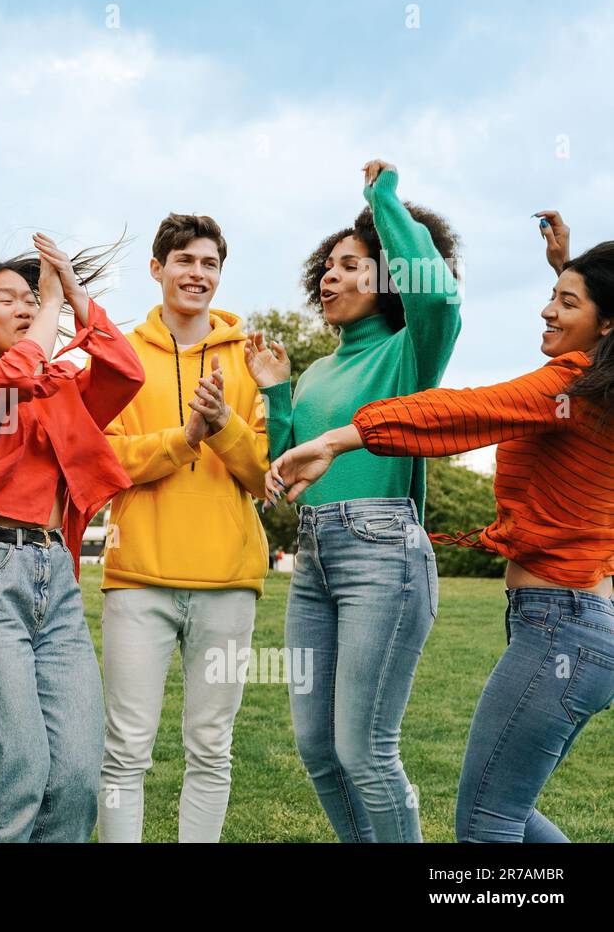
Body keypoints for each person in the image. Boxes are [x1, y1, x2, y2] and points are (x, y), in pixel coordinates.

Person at [270, 229, 614, 843]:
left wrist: (339, 438)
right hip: (565, 620)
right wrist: (572, 271)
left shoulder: (568, 387)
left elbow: (464, 411)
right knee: (508, 813)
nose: (545, 309)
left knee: (490, 823)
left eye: (566, 302)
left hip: (564, 623)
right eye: (551, 295)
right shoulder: (591, 386)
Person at [257, 159, 461, 842]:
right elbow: (285, 469)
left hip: (382, 552)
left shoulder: (410, 349)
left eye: (351, 264)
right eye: (328, 267)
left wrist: (382, 204)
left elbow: (438, 296)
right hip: (314, 554)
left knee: (366, 752)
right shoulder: (319, 369)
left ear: (390, 277)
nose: (330, 277)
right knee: (319, 751)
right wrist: (277, 390)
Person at [0, 233, 145, 842]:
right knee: (19, 774)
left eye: (33, 297)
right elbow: (13, 376)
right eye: (11, 299)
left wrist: (74, 295)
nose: (28, 307)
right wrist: (50, 307)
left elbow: (123, 371)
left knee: (78, 778)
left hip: (58, 579)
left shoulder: (59, 389)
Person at [97, 214, 273, 843]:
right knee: (125, 749)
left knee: (210, 747)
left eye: (209, 264)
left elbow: (265, 476)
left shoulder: (252, 357)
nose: (197, 274)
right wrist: (185, 438)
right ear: (157, 269)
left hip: (227, 581)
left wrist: (224, 424)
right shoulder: (119, 354)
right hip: (138, 578)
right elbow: (107, 462)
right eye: (185, 261)